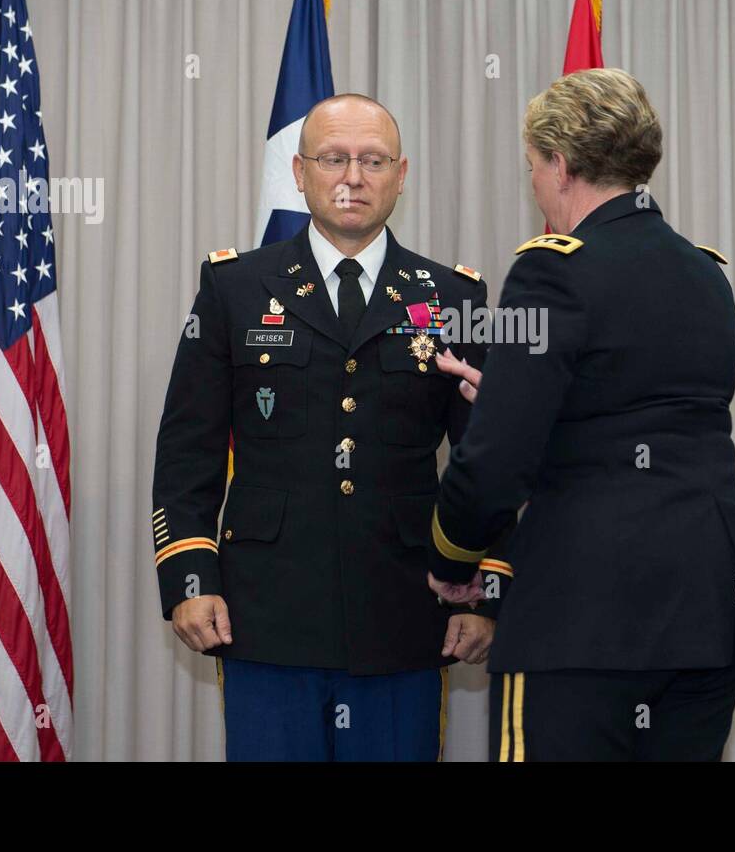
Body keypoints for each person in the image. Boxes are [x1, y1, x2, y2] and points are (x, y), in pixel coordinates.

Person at [428, 68, 735, 761]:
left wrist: (452, 554)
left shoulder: (552, 269)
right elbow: (636, 407)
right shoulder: (705, 271)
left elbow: (497, 461)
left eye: (532, 167)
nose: (533, 184)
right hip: (710, 598)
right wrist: (513, 393)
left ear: (560, 165)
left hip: (586, 607)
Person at [152, 94, 498, 761]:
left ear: (401, 174)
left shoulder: (452, 297)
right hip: (266, 614)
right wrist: (191, 578)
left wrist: (484, 590)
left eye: (372, 161)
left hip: (404, 614)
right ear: (299, 170)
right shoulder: (236, 287)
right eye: (334, 159)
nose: (352, 177)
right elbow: (187, 448)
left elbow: (484, 459)